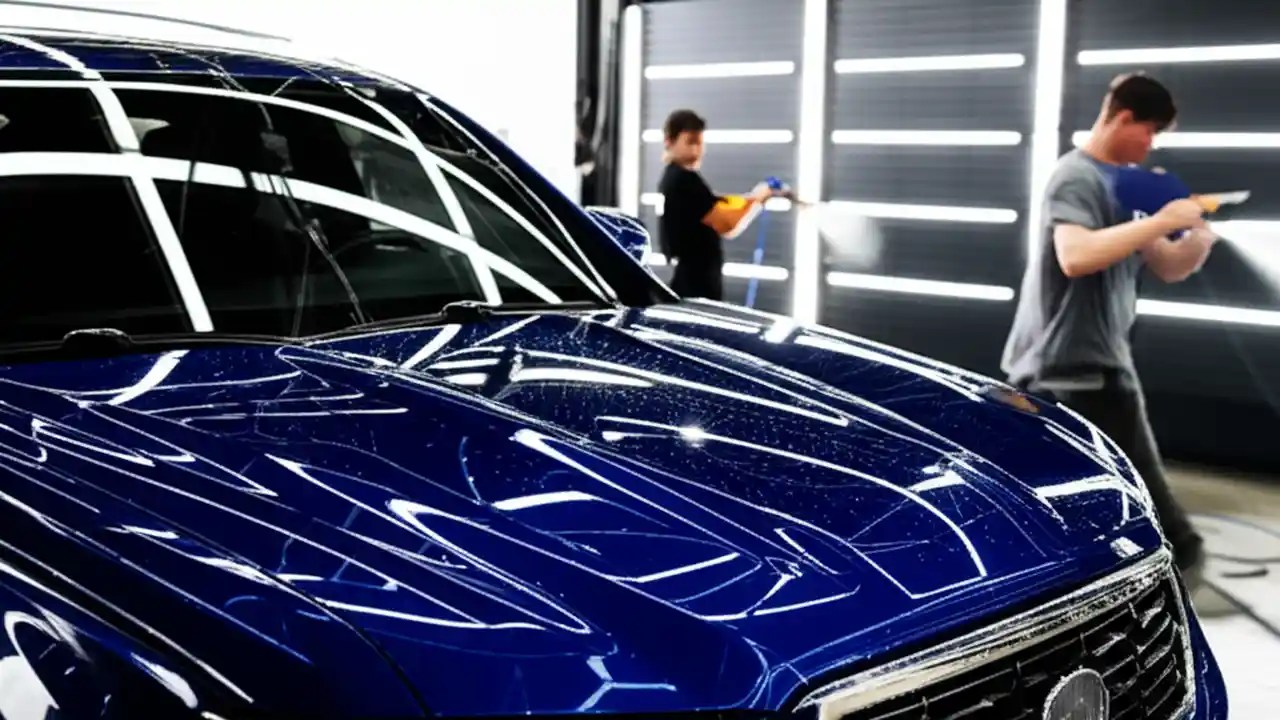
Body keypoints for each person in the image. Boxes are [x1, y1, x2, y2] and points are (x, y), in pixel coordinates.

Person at [1002, 72, 1216, 587]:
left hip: (1088, 363)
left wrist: (1201, 235)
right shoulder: (1076, 177)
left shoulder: (1124, 184)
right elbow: (1075, 256)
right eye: (1150, 131)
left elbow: (1167, 264)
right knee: (1147, 501)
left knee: (1060, 495)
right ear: (1123, 118)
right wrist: (1163, 218)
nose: (1151, 145)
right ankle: (1174, 580)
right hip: (1072, 367)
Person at [657, 109, 777, 301]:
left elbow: (720, 204)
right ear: (669, 142)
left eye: (700, 143)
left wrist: (754, 197)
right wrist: (758, 200)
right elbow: (725, 223)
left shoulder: (675, 178)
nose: (697, 150)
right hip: (696, 284)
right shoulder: (684, 181)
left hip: (693, 279)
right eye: (690, 142)